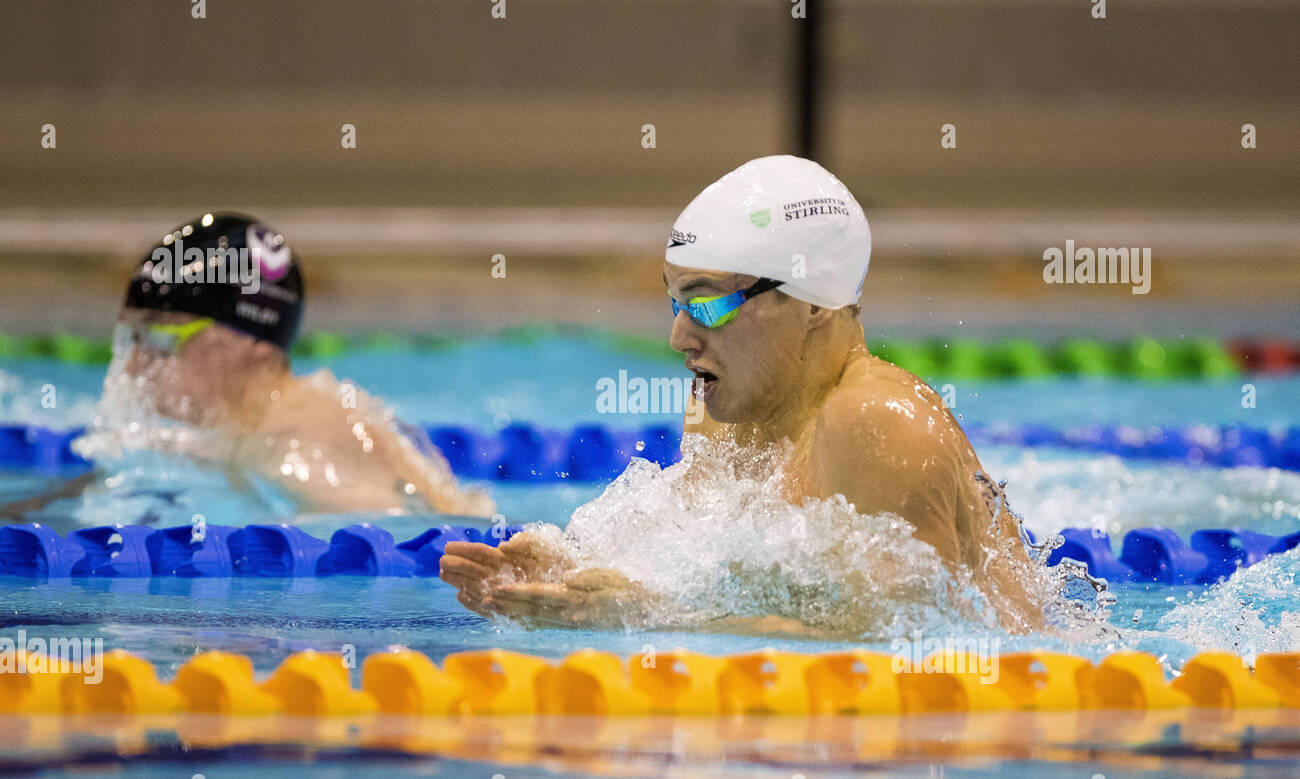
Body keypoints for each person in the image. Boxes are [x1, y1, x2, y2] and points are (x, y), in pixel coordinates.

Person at [440, 156, 1043, 636]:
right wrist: (570, 580)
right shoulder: (720, 412)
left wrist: (646, 617)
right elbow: (703, 573)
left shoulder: (875, 423)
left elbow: (913, 644)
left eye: (705, 303)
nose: (679, 335)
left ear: (811, 302)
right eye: (676, 303)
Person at [2, 212, 491, 521]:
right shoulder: (230, 437)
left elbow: (388, 564)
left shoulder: (299, 445)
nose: (133, 366)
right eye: (130, 338)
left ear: (253, 345)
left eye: (158, 339)